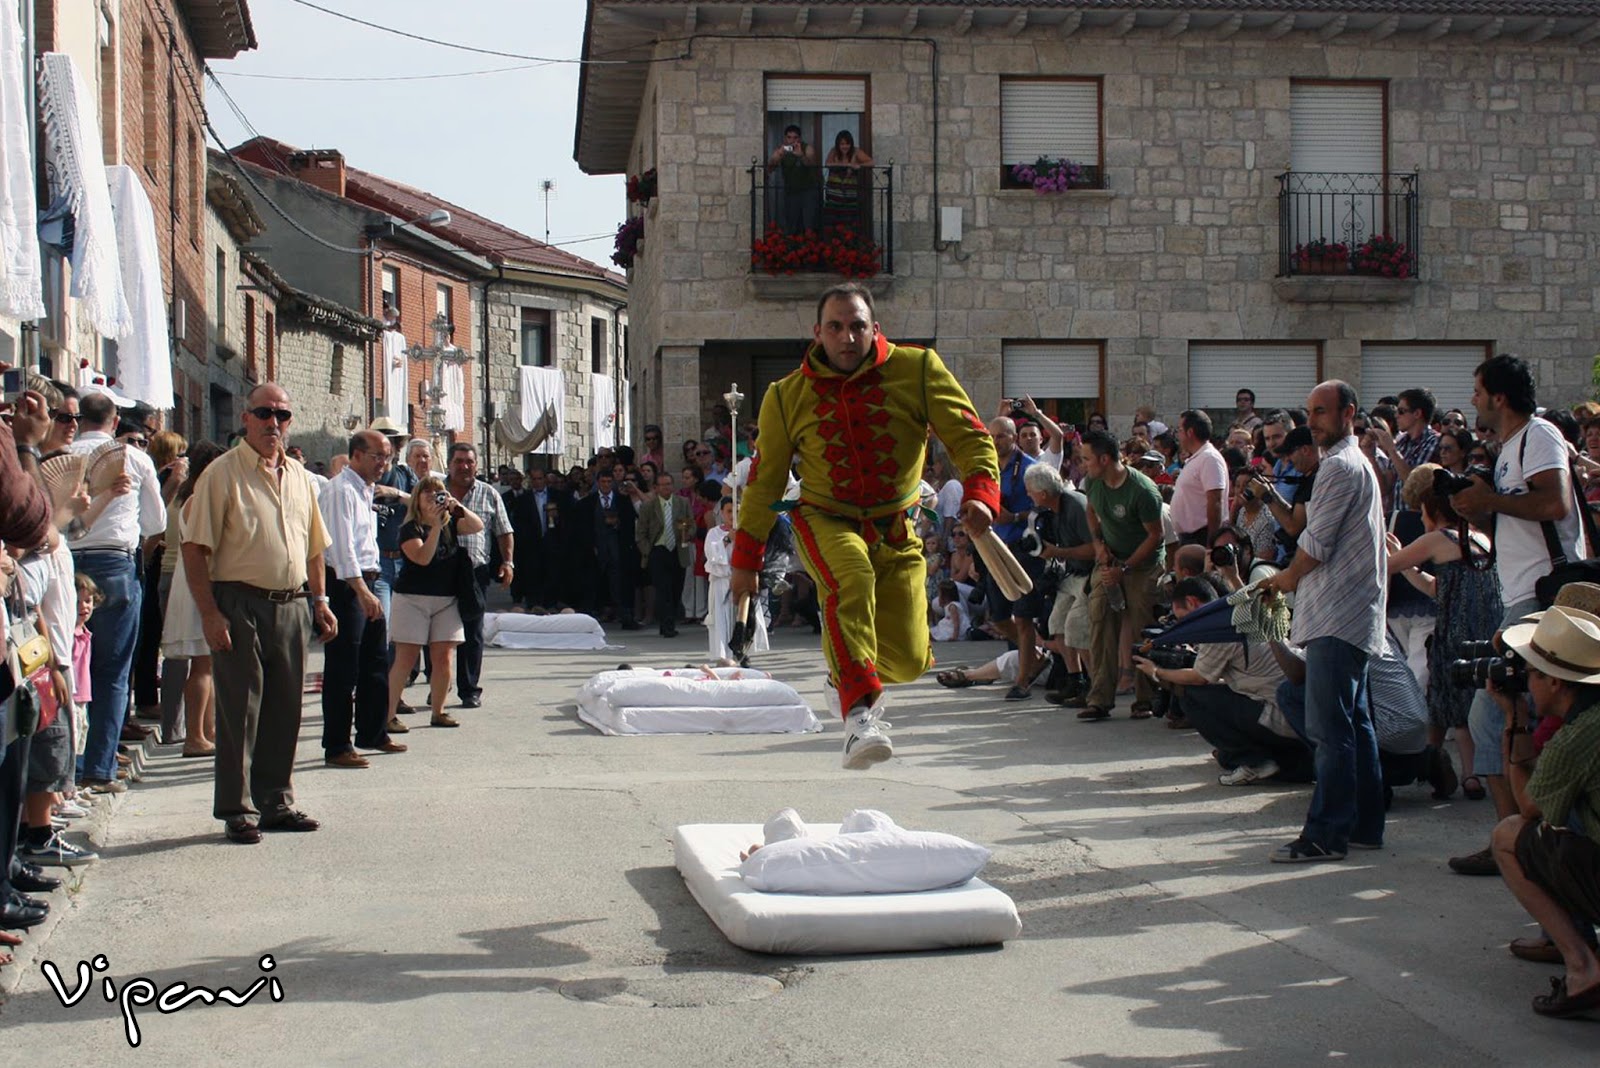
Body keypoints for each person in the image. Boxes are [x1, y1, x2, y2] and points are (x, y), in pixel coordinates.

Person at [730, 284, 999, 769]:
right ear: (818, 333)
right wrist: (746, 561)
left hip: (897, 526)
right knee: (850, 580)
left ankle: (842, 676)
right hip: (823, 517)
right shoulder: (786, 395)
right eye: (835, 327)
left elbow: (970, 436)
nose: (847, 337)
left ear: (874, 327)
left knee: (911, 659)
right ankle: (858, 719)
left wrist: (981, 495)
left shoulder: (918, 369)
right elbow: (764, 481)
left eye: (857, 325)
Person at [1448, 353, 1585, 875]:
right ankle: (1515, 838)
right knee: (1498, 713)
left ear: (1499, 397)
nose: (1473, 399)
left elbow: (1555, 505)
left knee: (1495, 712)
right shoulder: (1508, 448)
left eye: (1478, 390)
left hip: (1546, 596)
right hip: (1522, 596)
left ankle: (1520, 841)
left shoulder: (1540, 435)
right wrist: (1475, 507)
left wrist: (1494, 503)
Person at [181, 383, 336, 845]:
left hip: (290, 604)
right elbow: (194, 547)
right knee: (240, 709)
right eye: (264, 414)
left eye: (282, 415)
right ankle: (237, 807)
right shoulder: (222, 474)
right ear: (245, 419)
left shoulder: (300, 478)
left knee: (286, 709)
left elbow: (313, 548)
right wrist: (209, 614)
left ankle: (276, 802)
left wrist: (321, 600)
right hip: (240, 602)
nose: (274, 423)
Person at [1263, 381, 1389, 863]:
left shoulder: (1339, 467)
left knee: (1330, 731)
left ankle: (1326, 835)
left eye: (1321, 412)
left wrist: (1281, 581)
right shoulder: (1352, 464)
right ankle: (1363, 826)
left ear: (1348, 414)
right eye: (1310, 412)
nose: (1312, 421)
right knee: (1353, 725)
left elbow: (1315, 546)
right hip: (1349, 613)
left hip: (1339, 614)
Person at [1484, 606, 1600, 1018]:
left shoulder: (1578, 736)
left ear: (1554, 680)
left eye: (1531, 674)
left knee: (1508, 837)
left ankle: (1582, 966)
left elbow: (1528, 806)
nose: (1526, 683)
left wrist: (1514, 718)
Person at [66, 388, 166, 791]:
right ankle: (99, 768)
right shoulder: (135, 459)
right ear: (113, 423)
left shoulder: (64, 455)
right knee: (110, 671)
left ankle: (66, 771)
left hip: (67, 561)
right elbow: (156, 521)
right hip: (114, 561)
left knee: (67, 668)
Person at [1386, 465, 1501, 800]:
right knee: (1447, 703)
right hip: (1484, 631)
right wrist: (1406, 563)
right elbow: (1438, 587)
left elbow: (1385, 566)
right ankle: (1435, 766)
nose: (1420, 520)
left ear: (1434, 511)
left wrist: (1388, 550)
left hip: (1455, 634)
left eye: (1423, 513)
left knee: (1456, 708)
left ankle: (1470, 776)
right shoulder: (1478, 537)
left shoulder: (1438, 538)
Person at [1133, 577, 1310, 786]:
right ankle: (1273, 760)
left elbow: (1199, 678)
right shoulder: (1238, 613)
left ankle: (1252, 761)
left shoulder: (1219, 628)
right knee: (1224, 753)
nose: (1183, 625)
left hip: (1281, 715)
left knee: (1191, 696)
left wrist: (1158, 671)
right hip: (1296, 714)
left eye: (1182, 619)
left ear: (1191, 602)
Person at [319, 431, 404, 768]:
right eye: (377, 457)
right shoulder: (340, 490)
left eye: (387, 458)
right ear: (356, 454)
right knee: (344, 667)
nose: (383, 464)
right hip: (347, 585)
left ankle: (371, 730)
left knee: (374, 660)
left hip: (369, 577)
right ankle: (337, 744)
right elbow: (341, 549)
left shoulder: (366, 490)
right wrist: (361, 591)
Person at [1079, 429, 1165, 722]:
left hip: (1143, 565)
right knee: (1100, 618)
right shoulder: (1093, 481)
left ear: (1105, 459)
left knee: (1144, 629)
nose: (1084, 464)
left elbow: (1156, 536)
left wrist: (1124, 569)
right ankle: (1100, 698)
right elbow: (1091, 512)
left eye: (1087, 459)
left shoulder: (1143, 491)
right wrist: (1098, 544)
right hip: (1110, 558)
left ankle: (1146, 698)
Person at [386, 475, 484, 730]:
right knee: (405, 658)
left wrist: (456, 508)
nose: (433, 497)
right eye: (427, 493)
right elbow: (422, 558)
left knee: (444, 657)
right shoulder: (410, 528)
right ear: (416, 499)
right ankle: (387, 715)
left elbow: (477, 526)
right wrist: (435, 527)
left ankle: (438, 711)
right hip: (412, 599)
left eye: (438, 493)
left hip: (446, 600)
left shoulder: (451, 523)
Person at [159, 441, 226, 758]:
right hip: (199, 580)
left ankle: (207, 729)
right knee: (202, 664)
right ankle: (195, 734)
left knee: (207, 663)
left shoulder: (189, 496)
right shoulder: (198, 499)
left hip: (190, 579)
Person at [443, 443, 514, 708]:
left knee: (472, 631)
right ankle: (439, 684)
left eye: (469, 462)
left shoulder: (488, 494)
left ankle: (469, 689)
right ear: (450, 464)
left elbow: (504, 531)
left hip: (474, 572)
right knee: (439, 633)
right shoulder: (436, 491)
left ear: (476, 465)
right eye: (459, 461)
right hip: (439, 571)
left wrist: (508, 562)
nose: (464, 467)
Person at [1022, 463, 1096, 706]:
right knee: (1056, 624)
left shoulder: (1075, 505)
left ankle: (1095, 686)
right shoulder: (1052, 510)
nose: (1028, 495)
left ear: (1042, 493)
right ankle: (1076, 680)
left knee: (1076, 628)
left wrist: (1058, 551)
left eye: (1030, 491)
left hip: (1088, 574)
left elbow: (1095, 548)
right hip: (1072, 574)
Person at [986, 415, 1040, 698]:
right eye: (993, 437)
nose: (996, 442)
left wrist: (1014, 516)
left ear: (1014, 437)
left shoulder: (1030, 469)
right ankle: (1036, 654)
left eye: (1002, 436)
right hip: (995, 548)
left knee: (1023, 617)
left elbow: (1045, 508)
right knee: (998, 617)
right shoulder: (990, 467)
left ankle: (1023, 680)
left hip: (1023, 549)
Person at [705, 497, 769, 663]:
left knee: (743, 618)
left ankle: (742, 652)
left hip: (742, 581)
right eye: (729, 511)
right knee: (723, 621)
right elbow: (712, 557)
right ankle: (724, 657)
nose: (733, 515)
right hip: (722, 582)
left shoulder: (748, 532)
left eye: (737, 511)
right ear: (722, 512)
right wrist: (727, 539)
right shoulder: (714, 533)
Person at [636, 471, 692, 637]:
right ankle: (667, 626)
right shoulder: (648, 506)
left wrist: (688, 533)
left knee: (676, 589)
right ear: (656, 488)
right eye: (662, 485)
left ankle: (670, 620)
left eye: (668, 484)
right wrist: (648, 551)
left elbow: (691, 523)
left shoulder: (682, 503)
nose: (666, 487)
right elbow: (641, 532)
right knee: (663, 589)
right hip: (658, 551)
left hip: (677, 550)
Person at [1171, 409, 1227, 547]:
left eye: (1179, 430)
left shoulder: (1209, 458)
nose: (1178, 435)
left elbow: (1215, 501)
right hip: (1189, 538)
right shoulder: (1198, 457)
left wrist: (1211, 543)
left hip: (1202, 537)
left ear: (1190, 432)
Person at [1367, 387, 1440, 488]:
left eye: (1401, 411)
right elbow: (1385, 487)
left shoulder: (1434, 442)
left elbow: (1414, 485)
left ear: (1417, 414)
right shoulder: (1402, 443)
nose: (1396, 415)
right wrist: (1370, 455)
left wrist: (1392, 449)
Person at [766, 124, 820, 234]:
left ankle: (810, 246)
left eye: (795, 137)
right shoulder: (782, 149)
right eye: (789, 137)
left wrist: (801, 155)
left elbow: (812, 164)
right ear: (785, 138)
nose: (792, 140)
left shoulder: (807, 148)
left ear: (799, 138)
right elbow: (770, 168)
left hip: (808, 190)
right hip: (791, 191)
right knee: (791, 223)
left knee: (808, 223)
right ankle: (793, 247)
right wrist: (778, 155)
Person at [822, 129, 874, 232]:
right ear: (838, 144)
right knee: (832, 228)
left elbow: (871, 162)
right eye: (842, 144)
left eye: (847, 143)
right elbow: (827, 164)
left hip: (849, 199)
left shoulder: (856, 152)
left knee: (849, 228)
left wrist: (858, 165)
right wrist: (847, 165)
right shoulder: (834, 151)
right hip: (833, 199)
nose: (845, 146)